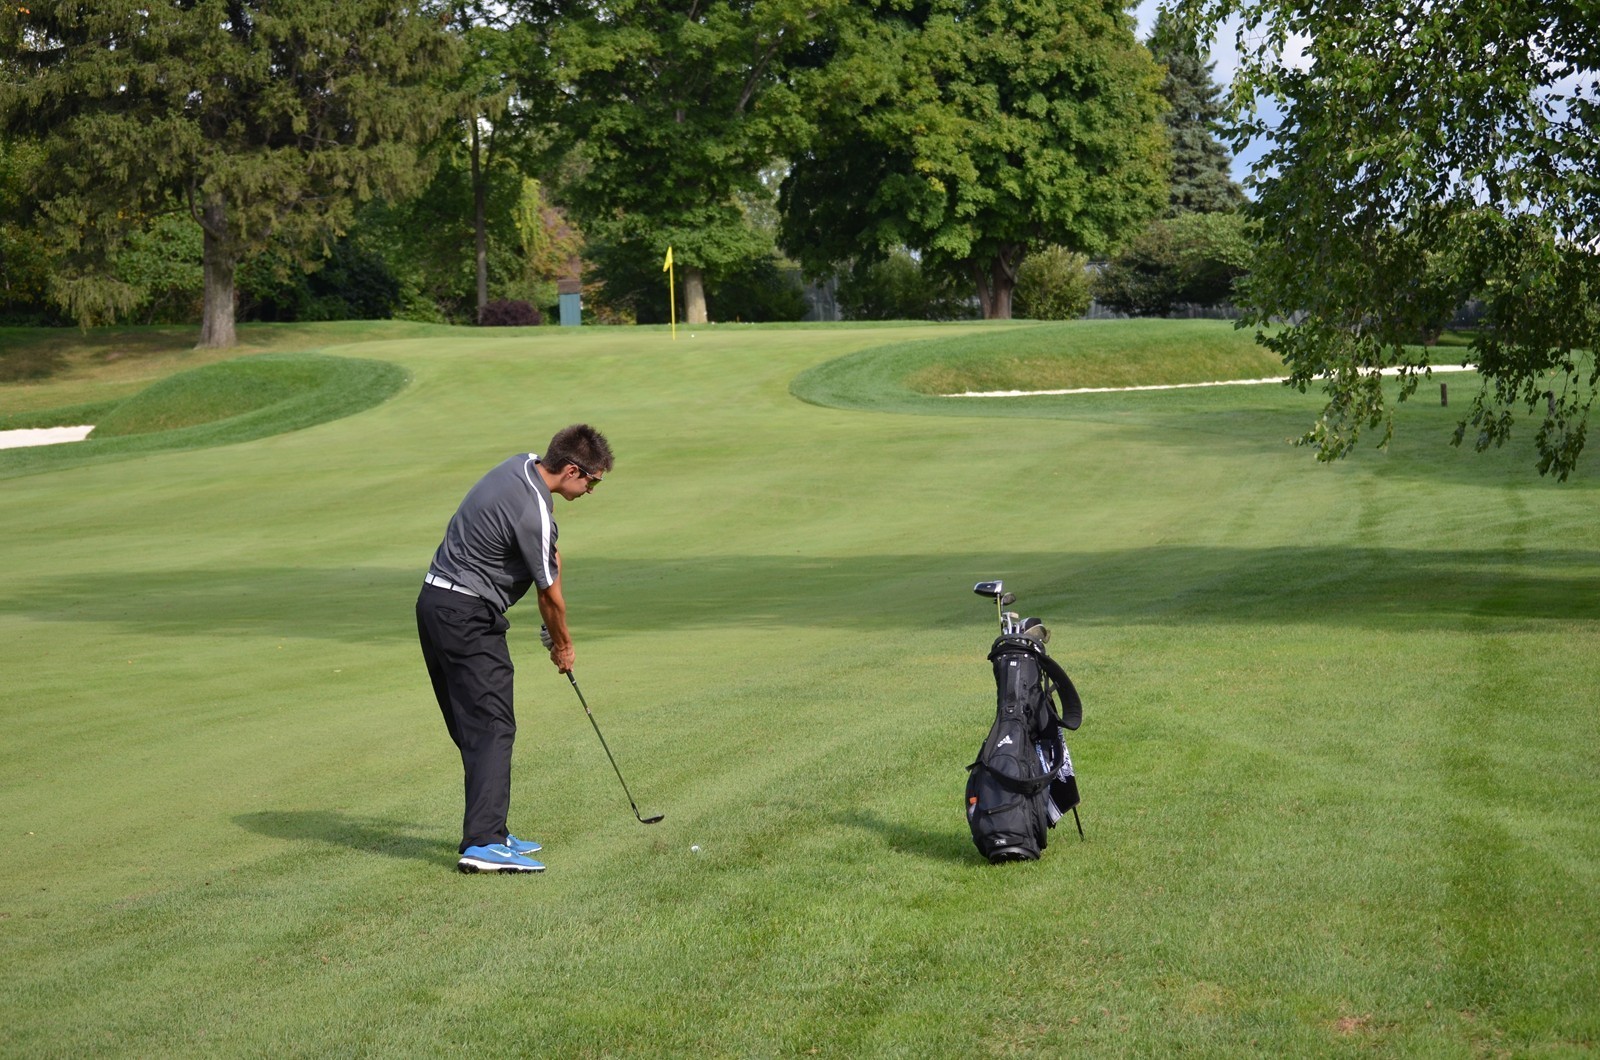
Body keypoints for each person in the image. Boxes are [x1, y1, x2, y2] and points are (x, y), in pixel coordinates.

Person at [416, 424, 614, 873]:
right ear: (571, 470)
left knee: (477, 726)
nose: (592, 490)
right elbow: (549, 594)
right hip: (467, 615)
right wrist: (563, 645)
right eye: (593, 481)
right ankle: (483, 843)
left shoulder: (520, 466)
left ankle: (493, 830)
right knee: (492, 725)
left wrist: (551, 629)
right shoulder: (534, 511)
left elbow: (550, 558)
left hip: (435, 604)